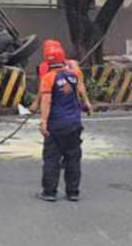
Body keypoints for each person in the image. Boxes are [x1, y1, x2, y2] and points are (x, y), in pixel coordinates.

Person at [37, 42, 93, 202]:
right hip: (74, 124)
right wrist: (86, 104)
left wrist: (43, 122)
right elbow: (79, 94)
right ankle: (73, 192)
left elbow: (46, 101)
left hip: (56, 125)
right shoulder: (73, 75)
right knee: (73, 158)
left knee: (51, 159)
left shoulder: (48, 78)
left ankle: (49, 192)